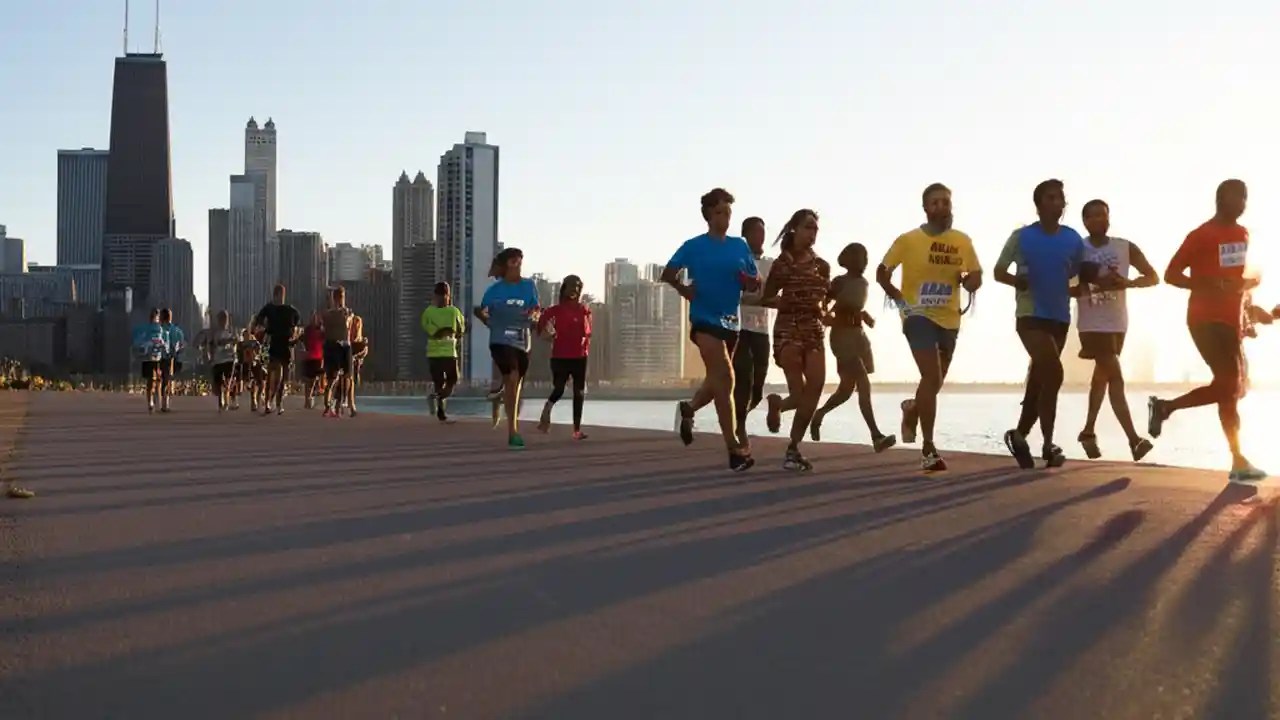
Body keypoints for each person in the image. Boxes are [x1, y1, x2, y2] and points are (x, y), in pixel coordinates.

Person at [1149, 179, 1266, 483]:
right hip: (1204, 318)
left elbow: (1237, 279)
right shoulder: (1201, 235)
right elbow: (1171, 273)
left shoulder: (1243, 234)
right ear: (1219, 199)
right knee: (1229, 384)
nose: (1241, 202)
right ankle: (1167, 407)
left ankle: (1238, 460)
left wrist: (1250, 310)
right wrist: (1203, 284)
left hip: (1231, 321)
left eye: (1245, 197)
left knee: (1231, 391)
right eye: (1236, 197)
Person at [995, 179, 1100, 469]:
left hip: (1059, 318)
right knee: (1053, 371)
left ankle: (1020, 436)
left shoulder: (1072, 239)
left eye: (1060, 198)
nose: (1057, 202)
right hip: (1029, 316)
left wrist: (1094, 284)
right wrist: (1017, 280)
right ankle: (1047, 444)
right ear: (1039, 204)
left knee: (1040, 381)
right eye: (1051, 198)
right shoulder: (1022, 237)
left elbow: (1079, 277)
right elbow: (998, 271)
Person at [878, 183, 983, 471]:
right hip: (916, 316)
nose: (941, 207)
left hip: (949, 319)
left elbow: (976, 276)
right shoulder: (908, 240)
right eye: (935, 203)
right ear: (925, 208)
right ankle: (928, 448)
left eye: (946, 202)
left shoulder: (962, 241)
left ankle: (912, 408)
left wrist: (969, 281)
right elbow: (882, 271)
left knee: (933, 383)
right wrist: (897, 296)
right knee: (931, 374)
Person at [663, 188, 761, 471]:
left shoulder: (739, 246)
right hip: (704, 319)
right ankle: (734, 449)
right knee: (726, 378)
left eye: (728, 213)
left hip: (732, 322)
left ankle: (689, 409)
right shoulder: (693, 246)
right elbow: (668, 273)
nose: (725, 218)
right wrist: (684, 289)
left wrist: (750, 281)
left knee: (717, 381)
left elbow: (755, 281)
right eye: (719, 212)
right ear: (708, 215)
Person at [1072, 199, 1158, 461]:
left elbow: (1153, 277)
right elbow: (1064, 285)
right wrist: (1082, 290)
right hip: (1091, 324)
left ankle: (1087, 431)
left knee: (1101, 378)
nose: (1100, 220)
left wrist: (1128, 284)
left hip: (1118, 322)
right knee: (1116, 378)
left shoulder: (1125, 247)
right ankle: (1134, 440)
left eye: (1104, 215)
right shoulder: (1077, 250)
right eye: (1094, 216)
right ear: (1085, 221)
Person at [761, 210, 830, 471]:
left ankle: (793, 447)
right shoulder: (783, 263)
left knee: (816, 387)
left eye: (815, 229)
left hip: (813, 330)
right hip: (788, 329)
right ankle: (781, 406)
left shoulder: (822, 266)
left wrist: (825, 312)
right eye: (808, 228)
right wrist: (786, 302)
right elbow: (767, 297)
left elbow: (824, 300)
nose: (812, 233)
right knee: (799, 393)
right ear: (795, 230)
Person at [811, 243, 895, 452]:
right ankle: (876, 436)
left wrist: (863, 315)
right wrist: (826, 317)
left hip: (859, 337)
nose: (864, 262)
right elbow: (824, 303)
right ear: (848, 260)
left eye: (866, 258)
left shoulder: (864, 283)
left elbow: (855, 307)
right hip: (842, 338)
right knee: (863, 383)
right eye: (859, 257)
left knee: (847, 390)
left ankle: (819, 414)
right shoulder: (840, 281)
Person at [475, 247, 541, 449]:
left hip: (523, 340)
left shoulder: (529, 286)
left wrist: (536, 317)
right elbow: (481, 311)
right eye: (513, 261)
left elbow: (536, 309)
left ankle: (501, 395)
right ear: (505, 266)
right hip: (500, 340)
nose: (517, 265)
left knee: (516, 384)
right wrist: (485, 318)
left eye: (520, 261)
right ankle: (513, 432)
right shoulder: (494, 291)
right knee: (512, 377)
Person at [536, 274, 592, 439]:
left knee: (579, 392)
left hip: (580, 356)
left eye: (577, 286)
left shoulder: (585, 310)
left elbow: (588, 333)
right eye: (571, 285)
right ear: (564, 288)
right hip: (560, 355)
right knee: (559, 388)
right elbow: (540, 327)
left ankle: (576, 430)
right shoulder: (555, 310)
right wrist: (549, 335)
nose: (574, 289)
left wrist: (584, 346)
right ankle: (547, 408)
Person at [734, 216, 773, 447]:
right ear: (746, 235)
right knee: (743, 381)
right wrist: (757, 299)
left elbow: (773, 295)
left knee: (757, 389)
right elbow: (735, 295)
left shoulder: (770, 264)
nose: (761, 236)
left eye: (763, 231)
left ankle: (738, 418)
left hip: (762, 330)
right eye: (756, 231)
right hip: (739, 329)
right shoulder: (737, 262)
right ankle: (739, 428)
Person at [252, 283, 302, 415]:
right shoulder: (269, 308)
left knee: (284, 376)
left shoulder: (290, 309)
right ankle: (268, 401)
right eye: (279, 295)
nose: (281, 298)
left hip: (285, 343)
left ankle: (278, 402)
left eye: (282, 295)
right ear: (275, 295)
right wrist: (259, 330)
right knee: (272, 374)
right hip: (274, 343)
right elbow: (258, 319)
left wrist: (294, 332)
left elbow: (297, 321)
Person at [422, 281, 465, 423]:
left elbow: (460, 330)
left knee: (453, 379)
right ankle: (441, 411)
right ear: (435, 296)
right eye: (440, 295)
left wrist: (449, 332)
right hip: (435, 353)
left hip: (449, 352)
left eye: (445, 295)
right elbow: (430, 330)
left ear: (448, 295)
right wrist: (447, 331)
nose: (443, 298)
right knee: (439, 382)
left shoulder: (454, 311)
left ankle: (436, 397)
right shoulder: (428, 312)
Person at [321, 286, 356, 418]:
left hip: (345, 345)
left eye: (343, 297)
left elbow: (349, 328)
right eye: (339, 297)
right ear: (334, 298)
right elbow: (325, 327)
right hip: (332, 345)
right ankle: (328, 405)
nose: (341, 300)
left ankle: (348, 404)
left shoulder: (348, 312)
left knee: (348, 376)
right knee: (332, 378)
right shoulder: (328, 314)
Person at [132, 308, 169, 414]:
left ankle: (158, 402)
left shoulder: (161, 330)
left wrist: (164, 346)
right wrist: (145, 345)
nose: (155, 317)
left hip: (158, 358)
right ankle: (151, 402)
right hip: (148, 359)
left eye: (157, 315)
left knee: (158, 380)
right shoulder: (145, 329)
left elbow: (165, 343)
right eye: (153, 315)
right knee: (151, 380)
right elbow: (138, 341)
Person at [204, 310, 239, 413]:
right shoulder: (214, 333)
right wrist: (209, 357)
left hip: (229, 359)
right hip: (218, 360)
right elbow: (210, 345)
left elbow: (237, 341)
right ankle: (221, 400)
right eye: (221, 319)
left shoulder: (232, 331)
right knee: (217, 384)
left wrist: (234, 343)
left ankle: (228, 399)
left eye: (225, 319)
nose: (224, 321)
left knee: (228, 381)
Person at [157, 308, 185, 413]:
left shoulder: (158, 329)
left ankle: (162, 401)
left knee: (162, 380)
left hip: (160, 358)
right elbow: (181, 345)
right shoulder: (177, 330)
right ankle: (165, 402)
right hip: (173, 359)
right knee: (167, 379)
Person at [235, 329, 266, 412]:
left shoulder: (255, 343)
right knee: (252, 382)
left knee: (261, 382)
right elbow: (239, 355)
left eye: (248, 335)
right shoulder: (240, 344)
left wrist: (254, 355)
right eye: (244, 335)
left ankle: (259, 397)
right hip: (245, 365)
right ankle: (254, 400)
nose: (246, 337)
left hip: (255, 363)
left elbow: (259, 353)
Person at [301, 312, 325, 409]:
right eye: (312, 318)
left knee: (314, 379)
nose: (314, 320)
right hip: (309, 356)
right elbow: (302, 339)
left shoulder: (321, 330)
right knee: (308, 379)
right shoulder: (308, 330)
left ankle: (310, 397)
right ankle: (307, 399)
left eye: (315, 318)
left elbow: (325, 340)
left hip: (318, 357)